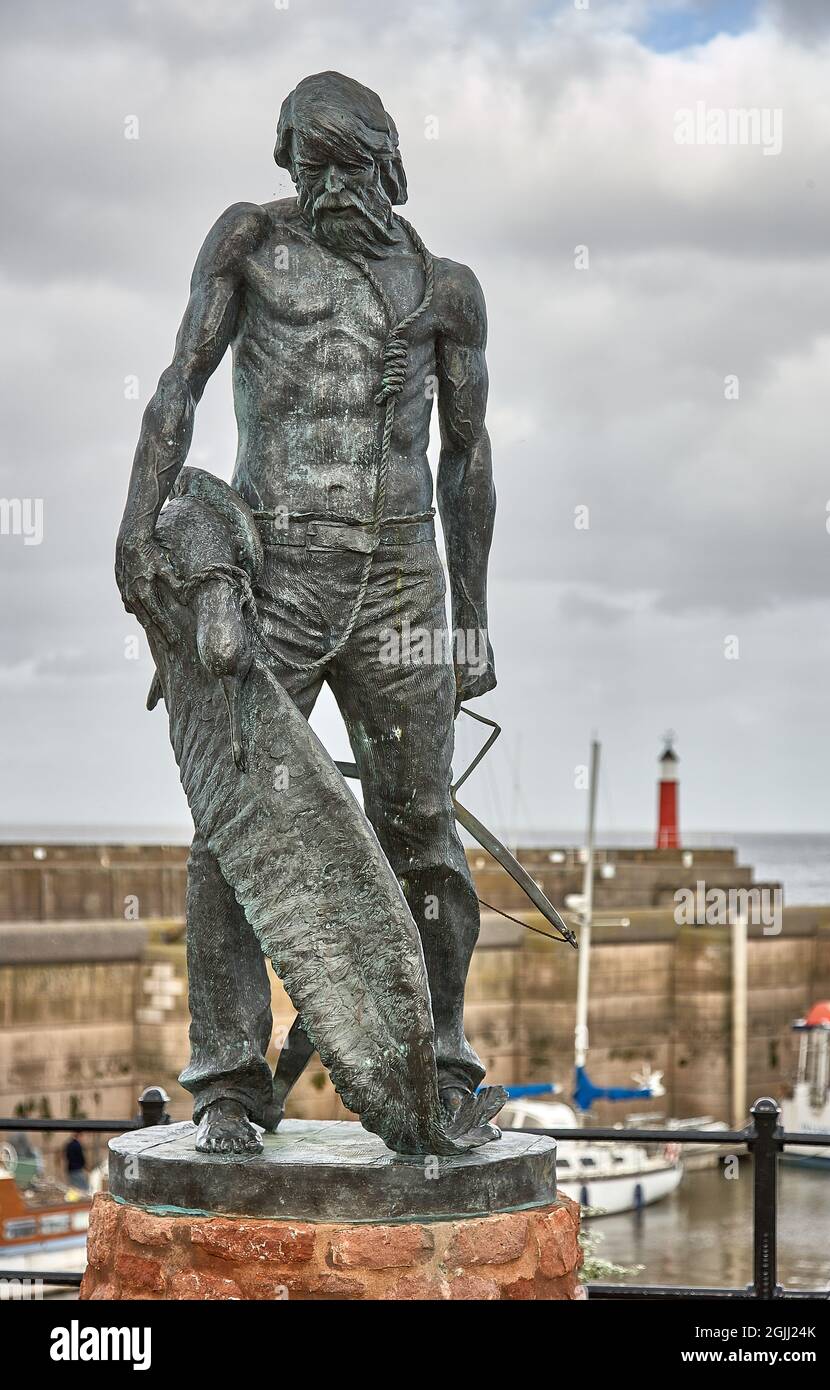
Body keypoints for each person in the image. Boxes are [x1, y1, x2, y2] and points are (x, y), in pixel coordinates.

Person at [116, 72, 496, 1155]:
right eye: (304, 162)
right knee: (232, 831)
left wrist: (470, 614)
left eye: (345, 163)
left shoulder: (448, 291)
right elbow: (175, 388)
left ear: (389, 163)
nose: (323, 184)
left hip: (402, 580)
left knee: (420, 828)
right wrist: (137, 530)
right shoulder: (246, 243)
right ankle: (230, 1082)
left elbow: (466, 460)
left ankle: (443, 1065)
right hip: (273, 569)